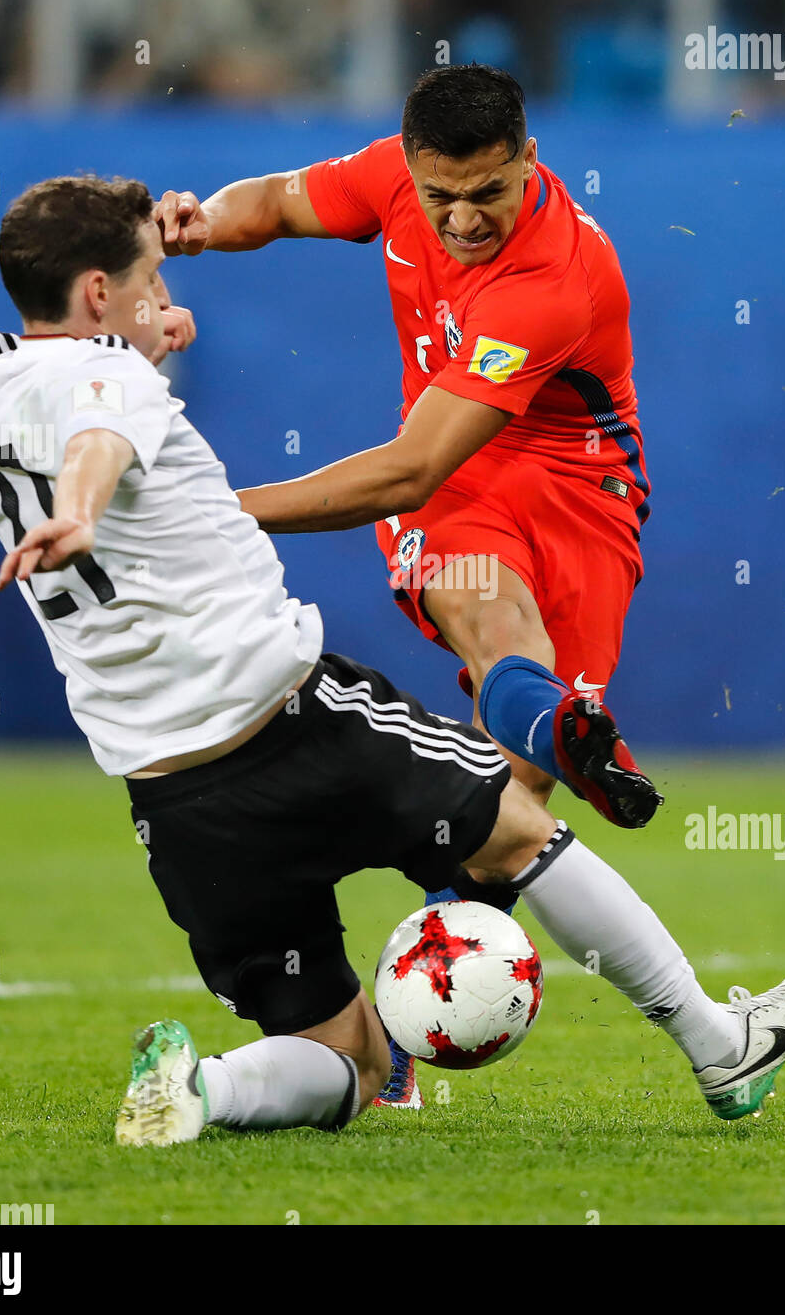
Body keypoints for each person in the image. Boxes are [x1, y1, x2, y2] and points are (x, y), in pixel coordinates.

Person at [0, 174, 785, 1146]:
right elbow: (99, 430)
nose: (169, 302)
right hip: (289, 721)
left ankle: (206, 1088)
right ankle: (719, 1043)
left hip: (171, 794)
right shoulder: (115, 380)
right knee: (520, 831)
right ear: (100, 297)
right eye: (151, 281)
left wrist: (52, 477)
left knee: (352, 1062)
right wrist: (82, 503)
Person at [153, 62, 663, 1105]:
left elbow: (405, 468)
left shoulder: (558, 275)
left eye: (490, 192)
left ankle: (543, 740)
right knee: (488, 618)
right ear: (414, 171)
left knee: (509, 830)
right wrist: (198, 224)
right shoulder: (392, 174)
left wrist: (215, 508)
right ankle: (553, 719)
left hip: (581, 495)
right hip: (469, 483)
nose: (465, 219)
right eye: (443, 198)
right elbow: (282, 201)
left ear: (530, 159)